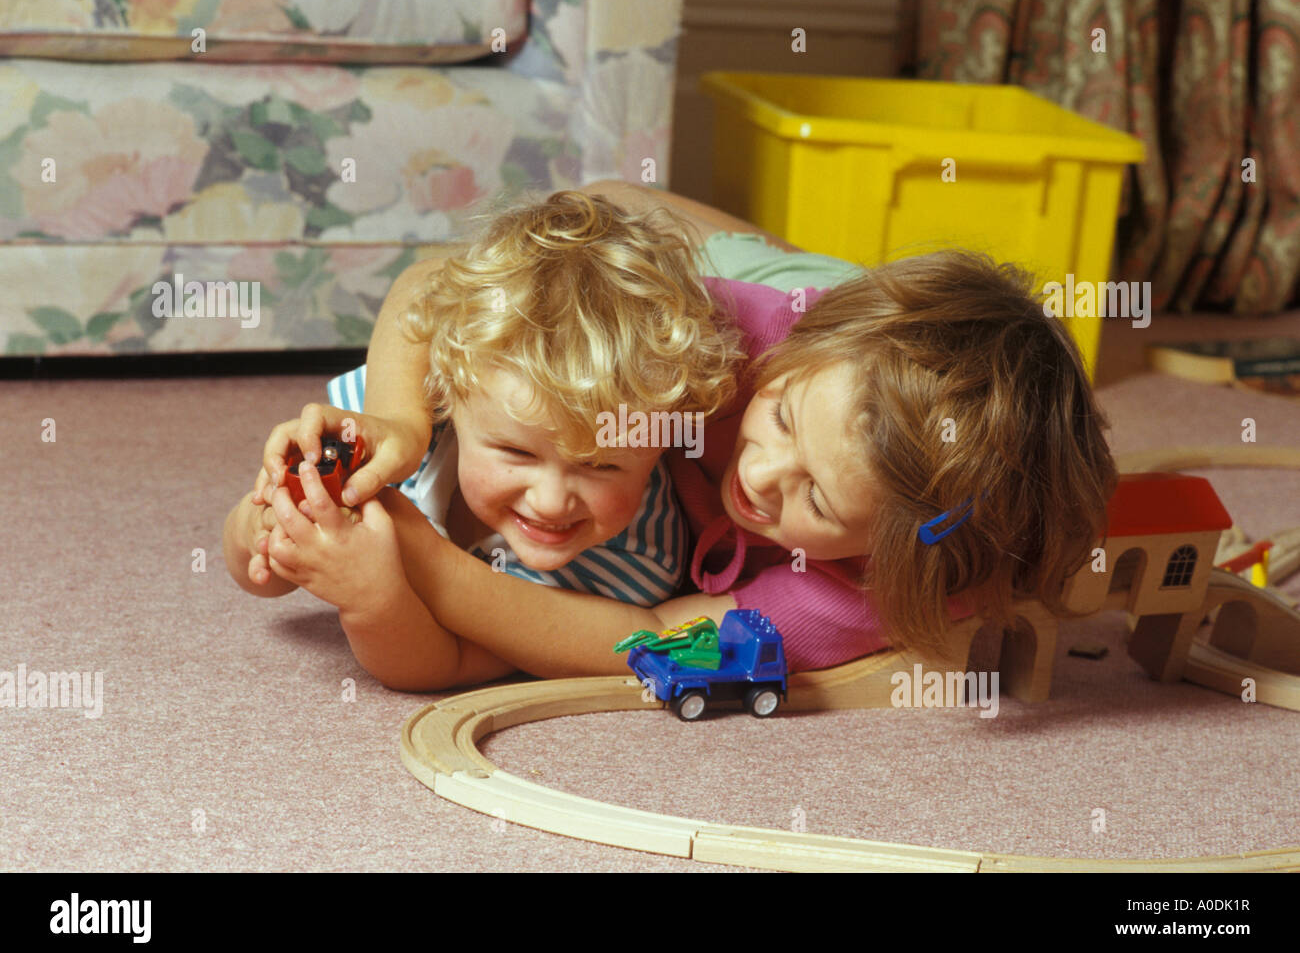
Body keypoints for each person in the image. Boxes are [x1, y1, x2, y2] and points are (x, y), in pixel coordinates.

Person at [251, 181, 1118, 690]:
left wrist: (429, 568)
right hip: (782, 286)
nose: (761, 472)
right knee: (601, 219)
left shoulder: (855, 600)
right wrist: (400, 421)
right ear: (792, 360)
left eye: (814, 494)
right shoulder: (751, 336)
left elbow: (647, 635)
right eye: (779, 421)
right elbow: (441, 285)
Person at [222, 190, 742, 688]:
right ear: (446, 392)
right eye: (516, 452)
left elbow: (445, 664)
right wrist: (271, 519)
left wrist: (372, 601)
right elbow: (254, 575)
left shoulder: (629, 562)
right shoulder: (388, 427)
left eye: (602, 466)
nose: (551, 500)